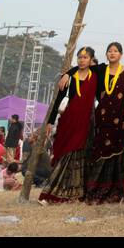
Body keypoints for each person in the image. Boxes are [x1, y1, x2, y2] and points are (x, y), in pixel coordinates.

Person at [41, 47, 98, 204]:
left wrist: (69, 71)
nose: (82, 60)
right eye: (79, 57)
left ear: (91, 60)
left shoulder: (96, 75)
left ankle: (75, 194)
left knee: (80, 158)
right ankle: (53, 193)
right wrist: (50, 121)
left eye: (85, 57)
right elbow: (58, 100)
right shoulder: (68, 79)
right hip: (68, 123)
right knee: (64, 156)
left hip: (86, 123)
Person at [85, 41, 124, 203]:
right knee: (100, 150)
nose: (112, 53)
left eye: (115, 51)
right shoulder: (100, 69)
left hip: (120, 120)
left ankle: (117, 190)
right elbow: (82, 67)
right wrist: (66, 74)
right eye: (109, 51)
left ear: (121, 54)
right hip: (103, 118)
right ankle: (96, 188)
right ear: (106, 54)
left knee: (118, 150)